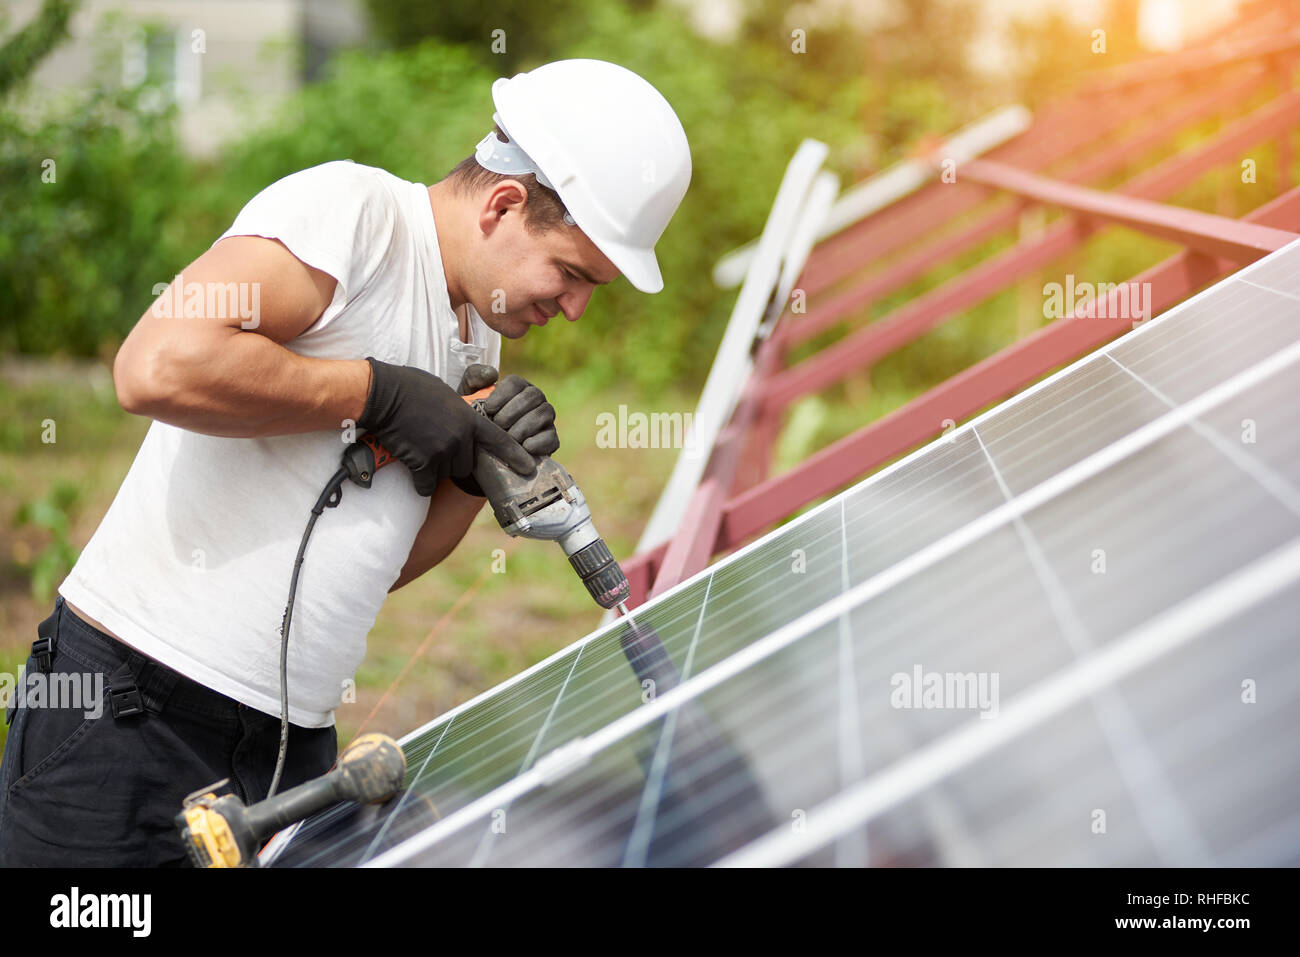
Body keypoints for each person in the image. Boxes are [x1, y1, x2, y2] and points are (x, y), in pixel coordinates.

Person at [0, 58, 691, 866]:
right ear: (504, 204)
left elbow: (373, 566)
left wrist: (470, 476)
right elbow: (154, 366)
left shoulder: (477, 337)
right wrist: (375, 392)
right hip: (131, 712)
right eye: (572, 273)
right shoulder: (354, 218)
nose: (574, 305)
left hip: (289, 748)